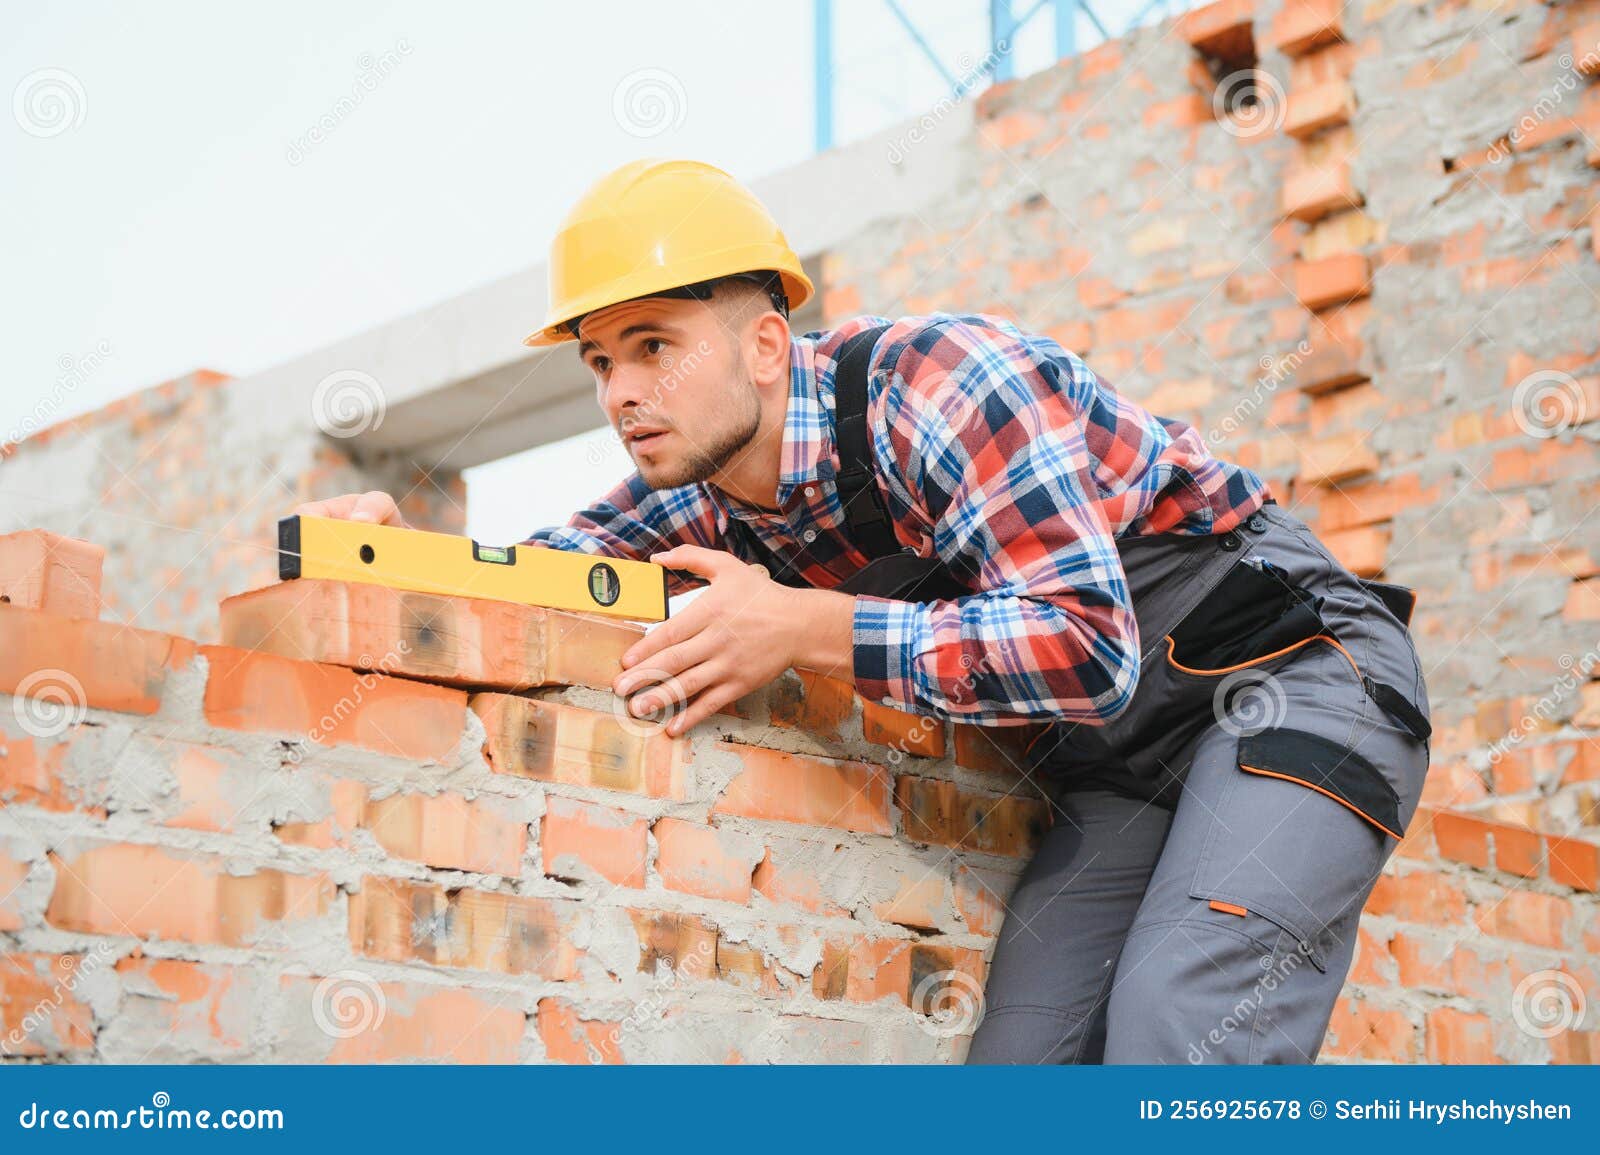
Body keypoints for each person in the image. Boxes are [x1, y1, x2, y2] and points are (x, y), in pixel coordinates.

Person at [294, 158, 1433, 1063]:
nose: (623, 392)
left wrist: (802, 628)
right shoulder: (695, 488)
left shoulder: (947, 387)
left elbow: (1087, 644)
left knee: (1180, 1032)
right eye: (599, 362)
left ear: (763, 344)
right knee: (1023, 1075)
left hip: (1294, 680)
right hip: (1119, 770)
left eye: (654, 347)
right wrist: (391, 552)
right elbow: (534, 577)